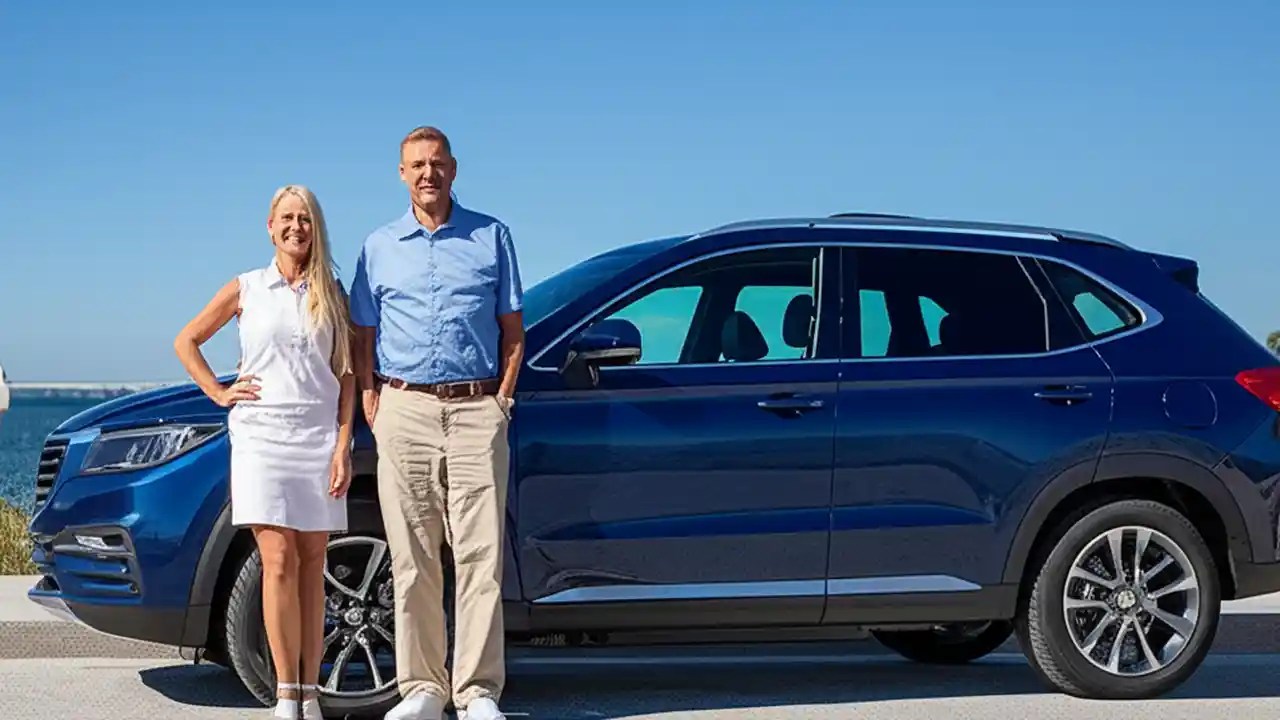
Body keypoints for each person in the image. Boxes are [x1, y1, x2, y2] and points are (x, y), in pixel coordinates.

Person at [349, 126, 523, 720]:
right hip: (404, 411)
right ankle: (422, 689)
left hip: (477, 411)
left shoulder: (491, 236)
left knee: (480, 557)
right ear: (402, 174)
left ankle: (477, 692)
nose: (428, 173)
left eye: (437, 163)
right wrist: (371, 397)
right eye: (417, 165)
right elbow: (362, 334)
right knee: (412, 558)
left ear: (453, 169)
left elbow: (513, 332)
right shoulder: (378, 246)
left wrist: (501, 402)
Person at [175, 184, 355, 720]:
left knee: (312, 564)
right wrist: (218, 391)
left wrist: (343, 446)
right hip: (261, 439)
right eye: (287, 218)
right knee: (276, 561)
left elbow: (347, 375)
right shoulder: (247, 287)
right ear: (270, 227)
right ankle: (286, 694)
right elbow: (187, 340)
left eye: (305, 218)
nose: (297, 227)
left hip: (318, 439)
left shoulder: (332, 292)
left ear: (315, 228)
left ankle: (311, 692)